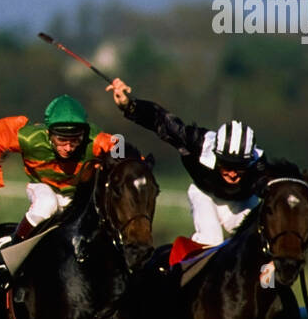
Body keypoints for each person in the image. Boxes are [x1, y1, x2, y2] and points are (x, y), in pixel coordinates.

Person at [0, 94, 116, 289]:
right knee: (47, 205)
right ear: (49, 134)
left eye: (75, 140)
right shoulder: (30, 137)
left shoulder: (97, 140)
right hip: (43, 187)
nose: (68, 147)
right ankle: (8, 255)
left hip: (78, 196)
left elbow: (123, 149)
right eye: (61, 140)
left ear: (84, 134)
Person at [107, 77, 264, 246]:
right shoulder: (196, 142)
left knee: (257, 239)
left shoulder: (261, 166)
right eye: (226, 164)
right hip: (205, 194)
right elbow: (160, 120)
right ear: (216, 154)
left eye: (239, 167)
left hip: (243, 201)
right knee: (212, 240)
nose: (232, 173)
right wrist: (129, 105)